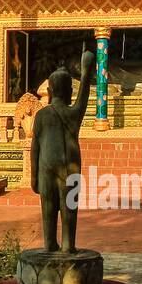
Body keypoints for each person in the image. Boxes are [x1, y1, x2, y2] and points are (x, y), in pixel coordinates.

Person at [31, 51, 95, 253]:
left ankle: (49, 243)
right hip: (70, 168)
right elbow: (83, 96)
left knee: (48, 210)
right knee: (69, 210)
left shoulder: (41, 116)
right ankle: (68, 245)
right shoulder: (74, 113)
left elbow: (35, 147)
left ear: (49, 91)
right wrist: (86, 71)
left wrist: (34, 177)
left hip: (45, 168)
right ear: (69, 91)